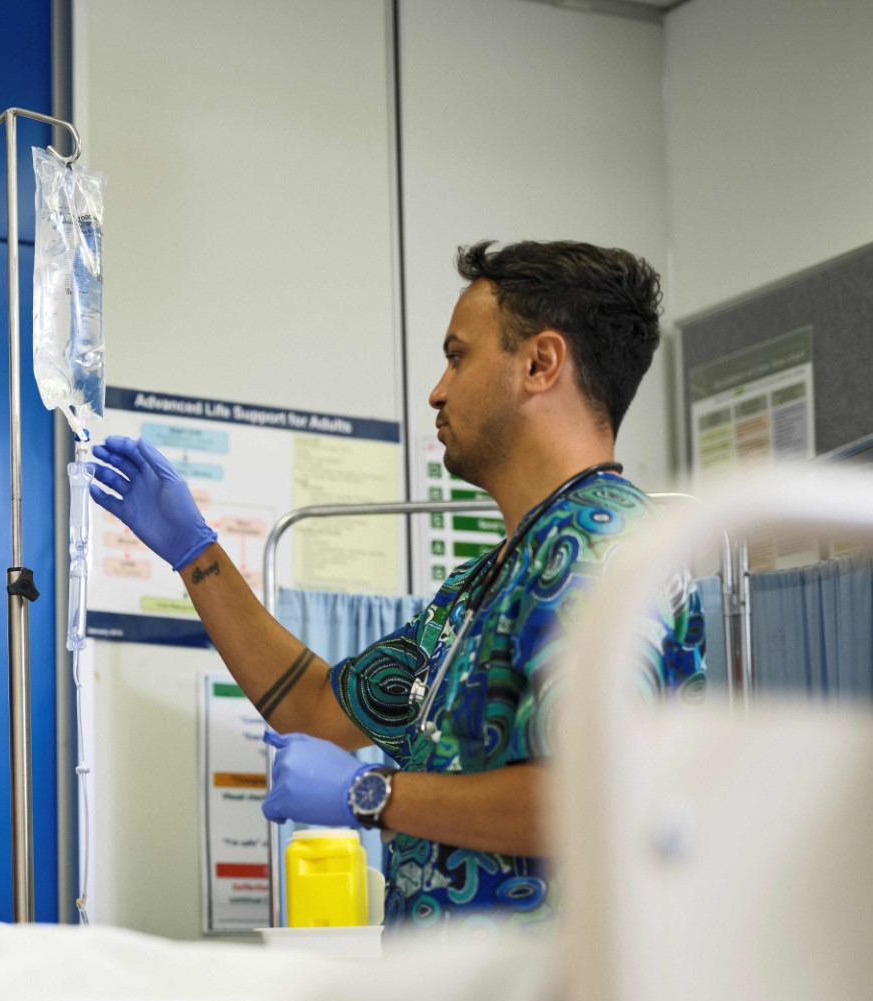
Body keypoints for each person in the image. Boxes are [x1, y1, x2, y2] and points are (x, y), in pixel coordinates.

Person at [91, 239, 705, 926]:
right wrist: (195, 553)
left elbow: (586, 797)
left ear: (540, 364)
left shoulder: (603, 546)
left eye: (457, 356)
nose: (438, 390)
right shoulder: (482, 587)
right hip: (459, 986)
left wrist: (372, 794)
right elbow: (315, 710)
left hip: (551, 990)